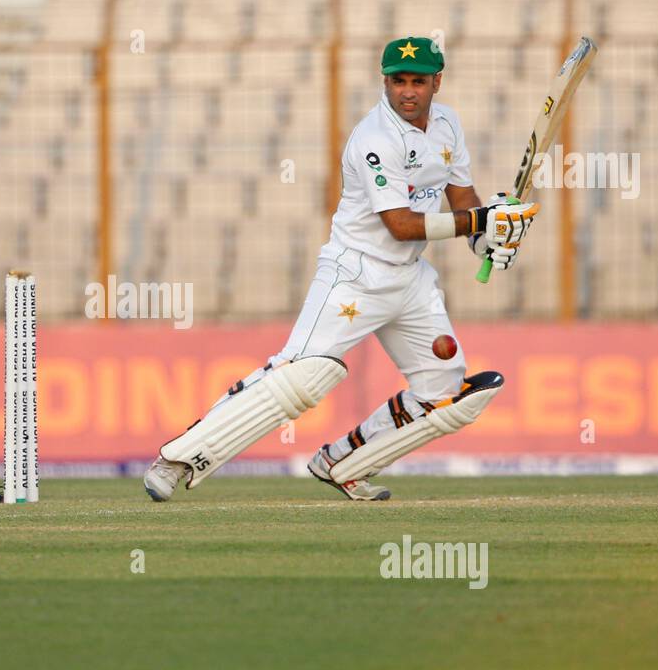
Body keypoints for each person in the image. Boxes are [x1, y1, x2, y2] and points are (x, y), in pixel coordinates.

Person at [144, 37, 540, 502]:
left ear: (437, 81)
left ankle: (343, 462)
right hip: (354, 275)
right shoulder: (375, 138)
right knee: (301, 375)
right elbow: (400, 225)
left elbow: (461, 197)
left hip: (409, 281)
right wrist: (479, 221)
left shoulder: (448, 123)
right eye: (397, 81)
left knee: (447, 392)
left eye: (417, 81)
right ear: (385, 82)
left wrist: (485, 240)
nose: (407, 92)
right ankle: (177, 459)